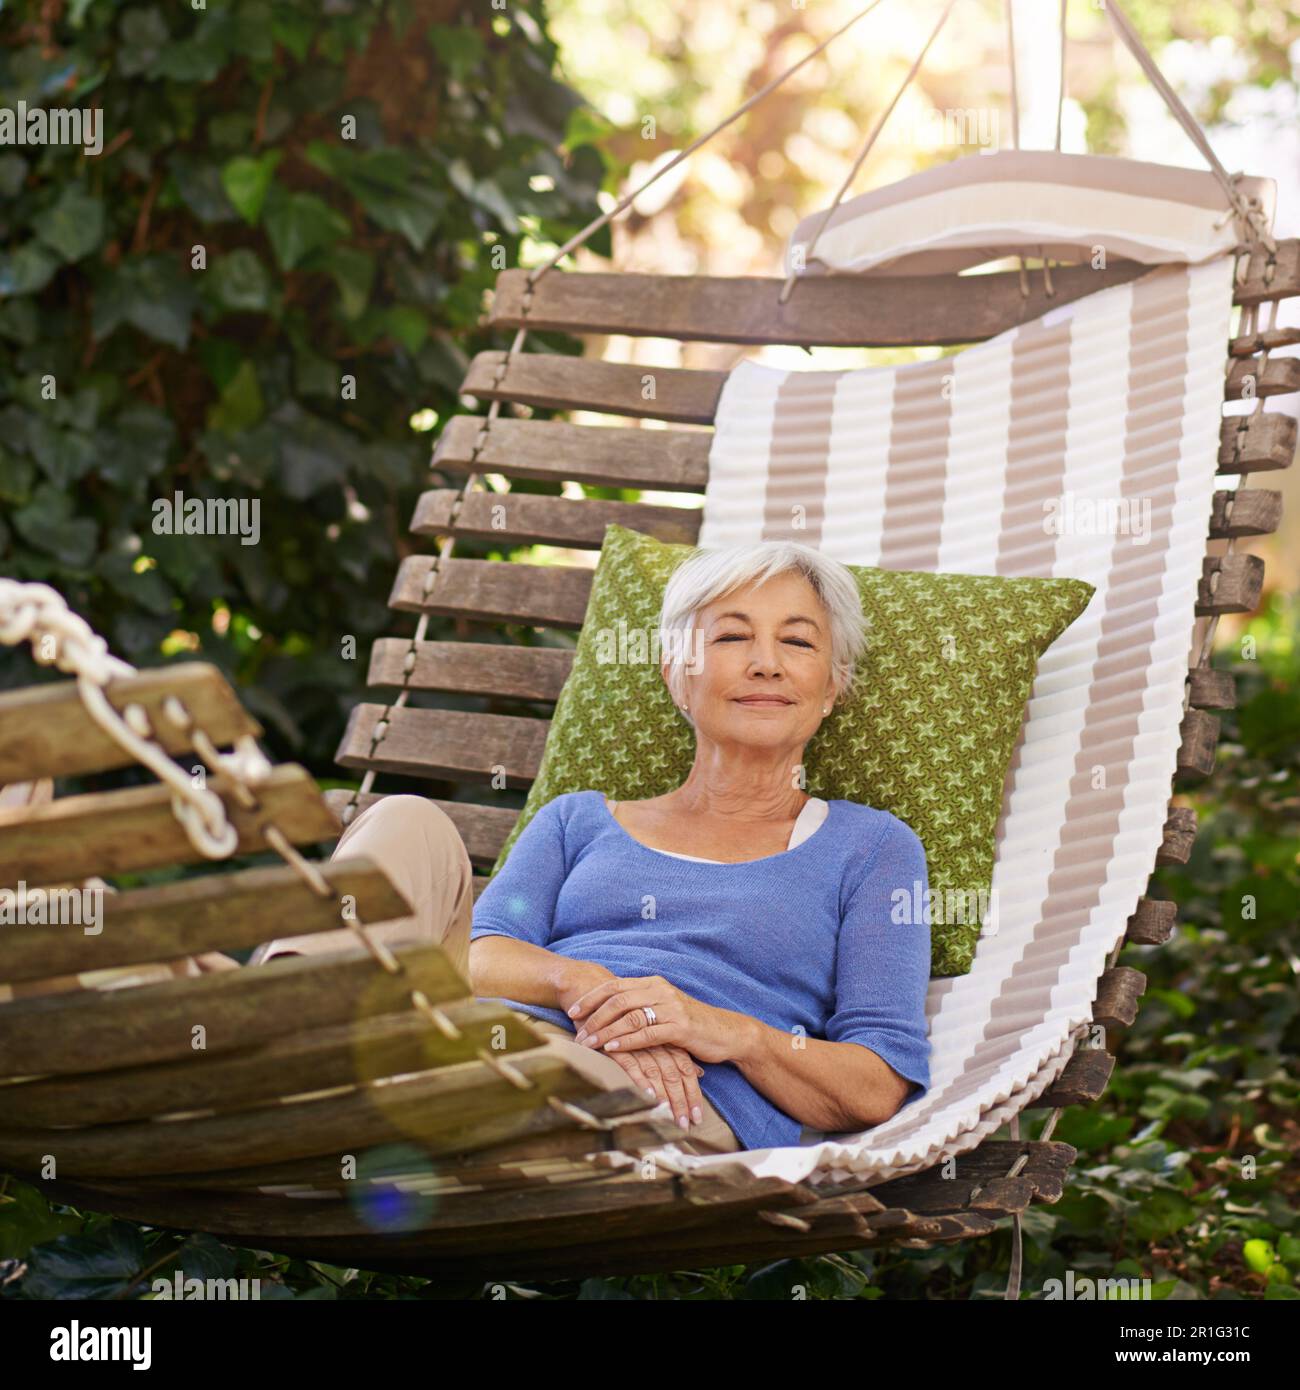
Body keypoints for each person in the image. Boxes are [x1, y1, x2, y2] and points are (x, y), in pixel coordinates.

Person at [219, 540, 933, 1157]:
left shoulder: (871, 849)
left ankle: (318, 1062)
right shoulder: (578, 821)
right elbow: (480, 954)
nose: (767, 664)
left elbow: (875, 1084)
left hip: (662, 1096)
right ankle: (268, 1032)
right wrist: (590, 988)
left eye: (799, 642)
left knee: (514, 1067)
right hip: (499, 1034)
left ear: (833, 687)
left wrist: (719, 1029)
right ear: (676, 676)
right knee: (406, 819)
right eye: (730, 638)